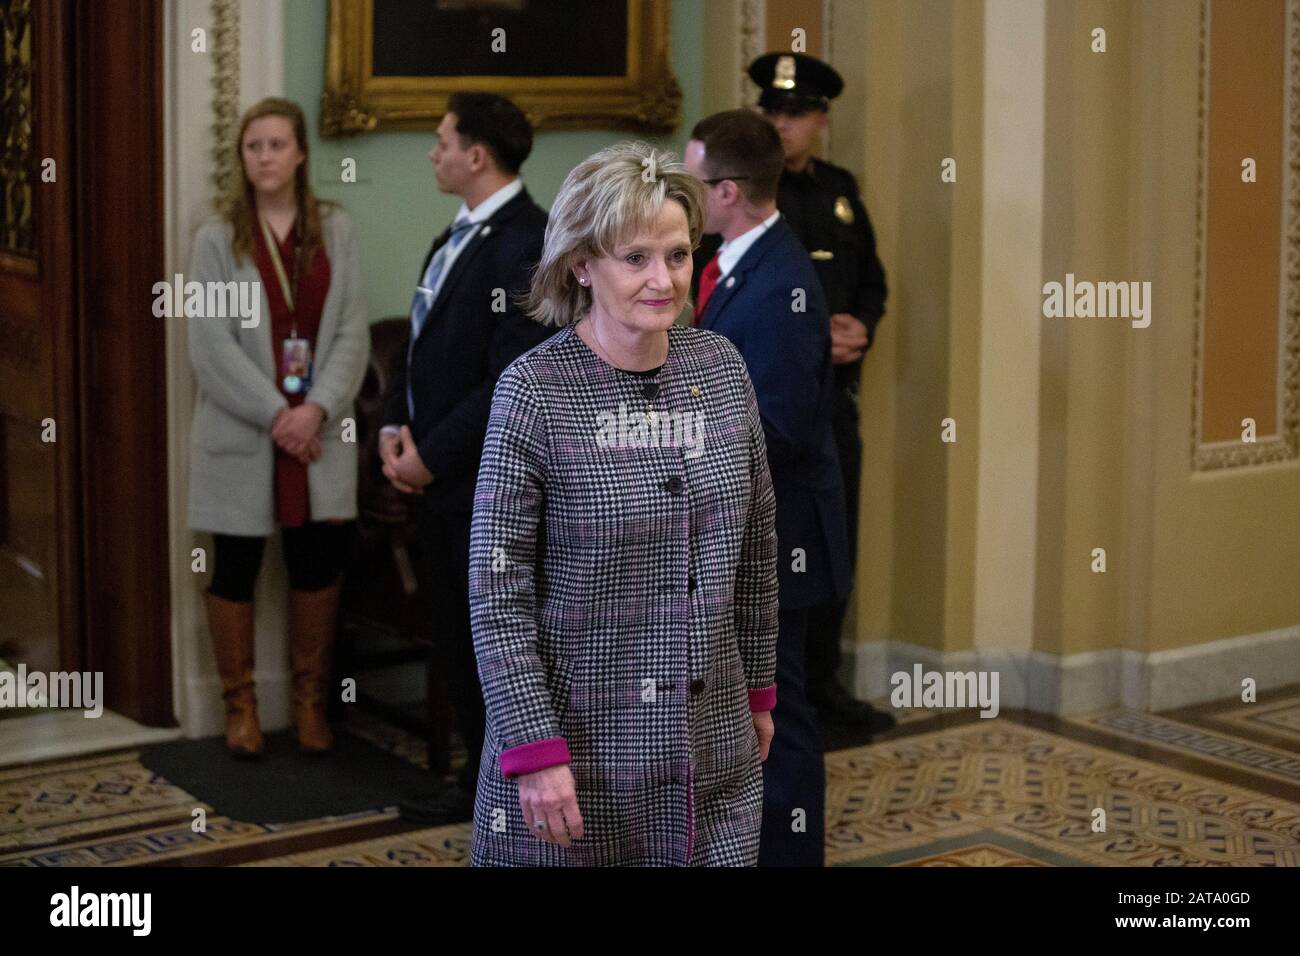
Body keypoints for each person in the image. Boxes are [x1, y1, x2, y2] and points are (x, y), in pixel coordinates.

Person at [468, 141, 780, 866]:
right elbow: (496, 590)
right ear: (583, 264)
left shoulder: (723, 367)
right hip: (576, 762)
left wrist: (760, 689)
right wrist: (534, 749)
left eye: (677, 254)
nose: (662, 278)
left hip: (713, 750)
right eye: (635, 257)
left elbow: (759, 546)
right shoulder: (535, 390)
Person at [378, 92, 552, 823]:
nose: (433, 152)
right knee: (455, 639)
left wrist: (431, 457)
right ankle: (477, 787)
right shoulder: (456, 234)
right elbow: (420, 345)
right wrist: (393, 426)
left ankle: (504, 796)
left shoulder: (527, 241)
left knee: (495, 652)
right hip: (438, 480)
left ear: (476, 155)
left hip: (483, 484)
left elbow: (511, 378)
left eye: (442, 140)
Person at [685, 109, 850, 866]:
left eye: (691, 181)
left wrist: (677, 453)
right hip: (752, 530)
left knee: (778, 717)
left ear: (725, 190)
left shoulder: (782, 282)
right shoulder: (730, 263)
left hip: (785, 543)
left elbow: (777, 428)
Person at [188, 97, 370, 756]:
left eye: (275, 145)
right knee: (234, 566)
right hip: (243, 435)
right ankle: (240, 707)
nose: (264, 157)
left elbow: (351, 328)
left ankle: (309, 704)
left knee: (316, 565)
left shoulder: (336, 229)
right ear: (243, 159)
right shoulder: (216, 236)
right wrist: (278, 415)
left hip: (319, 434)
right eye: (252, 147)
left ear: (299, 154)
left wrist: (315, 409)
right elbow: (209, 347)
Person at [748, 52, 894, 732]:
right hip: (771, 405)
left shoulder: (839, 190)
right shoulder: (751, 194)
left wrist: (859, 326)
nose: (783, 125)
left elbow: (872, 281)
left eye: (795, 114)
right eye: (772, 112)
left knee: (833, 545)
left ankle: (824, 685)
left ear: (820, 121)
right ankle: (780, 694)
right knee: (771, 554)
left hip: (834, 400)